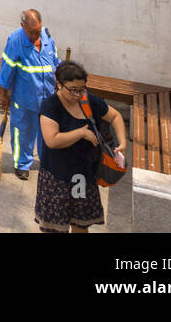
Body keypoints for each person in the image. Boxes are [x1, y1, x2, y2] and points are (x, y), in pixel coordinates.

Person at [35, 61, 127, 233]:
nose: (78, 94)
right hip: (57, 178)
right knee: (55, 228)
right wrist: (81, 133)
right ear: (59, 84)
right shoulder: (50, 106)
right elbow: (52, 140)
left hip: (82, 177)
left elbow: (115, 116)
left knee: (80, 224)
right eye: (73, 90)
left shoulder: (88, 101)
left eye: (82, 89)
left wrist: (122, 143)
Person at [0, 9, 59, 180]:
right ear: (22, 26)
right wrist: (3, 94)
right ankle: (22, 164)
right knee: (23, 133)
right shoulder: (15, 41)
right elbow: (6, 69)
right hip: (24, 99)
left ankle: (47, 161)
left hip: (48, 98)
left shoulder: (47, 36)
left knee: (48, 133)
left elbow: (55, 61)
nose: (35, 36)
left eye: (37, 31)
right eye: (31, 32)